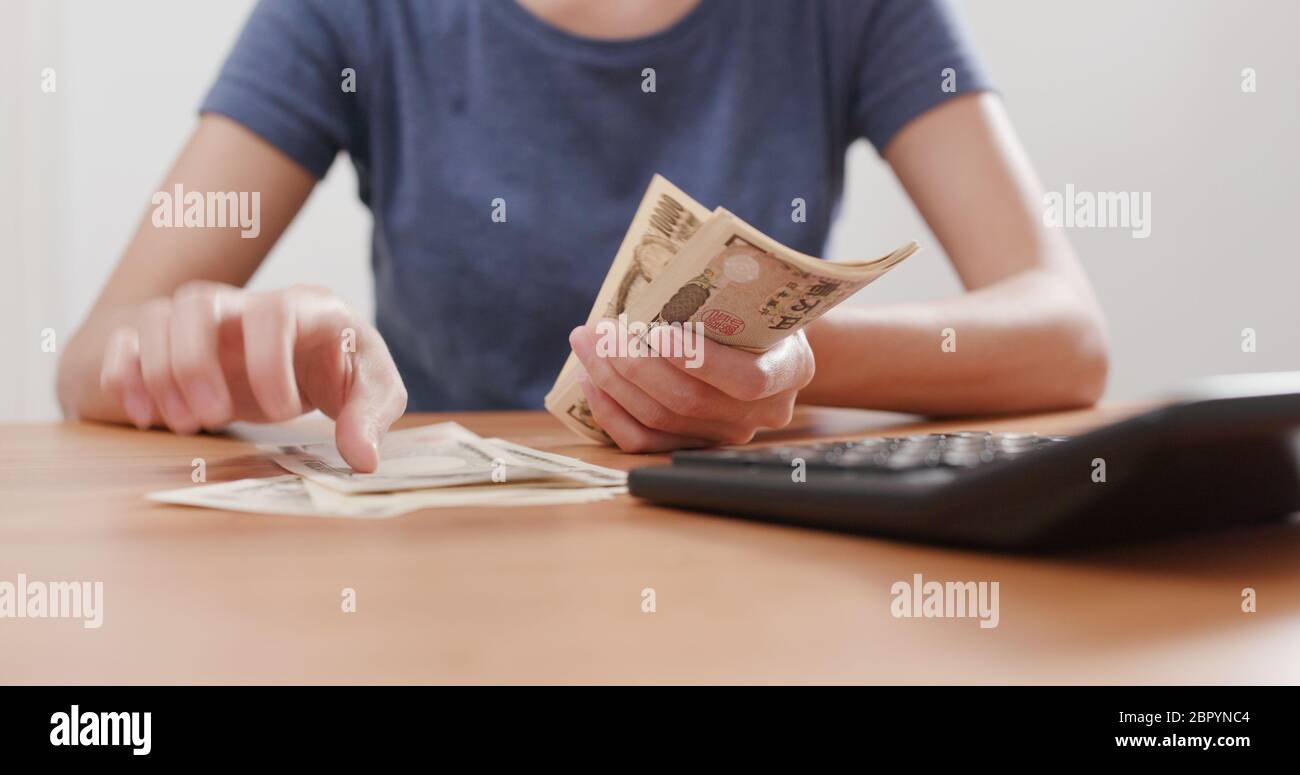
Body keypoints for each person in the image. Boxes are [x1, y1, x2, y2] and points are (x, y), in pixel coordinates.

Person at [56, 0, 1108, 470]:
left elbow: (1063, 333)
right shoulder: (351, 13)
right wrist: (225, 352)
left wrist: (797, 363)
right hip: (454, 585)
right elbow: (96, 354)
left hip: (752, 565)